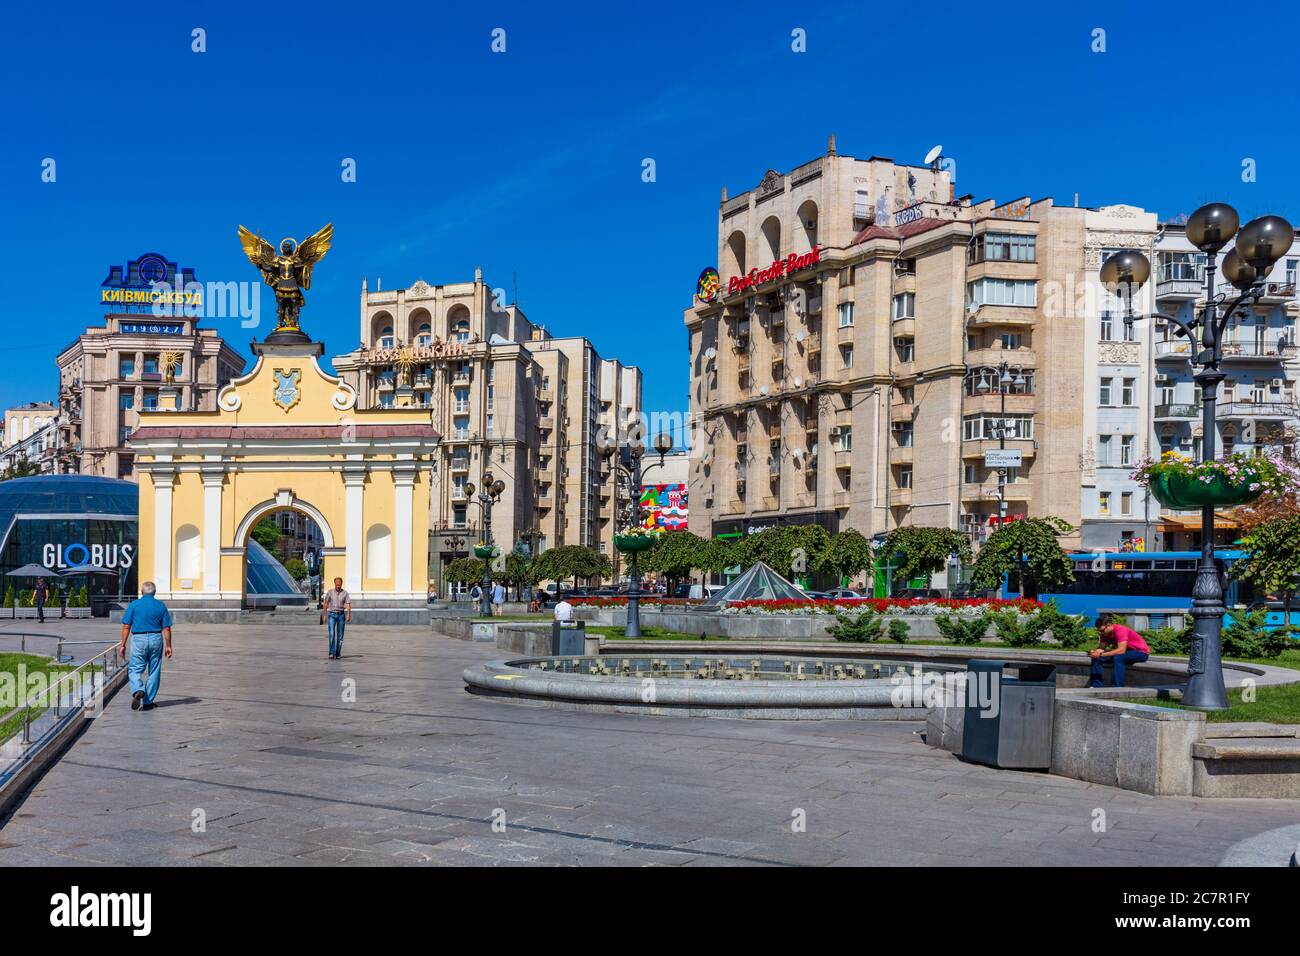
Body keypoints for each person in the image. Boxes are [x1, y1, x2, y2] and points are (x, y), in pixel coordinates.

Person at [118, 581, 173, 711]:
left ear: (142, 592)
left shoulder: (134, 605)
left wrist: (123, 645)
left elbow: (126, 626)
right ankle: (148, 702)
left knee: (135, 669)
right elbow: (167, 629)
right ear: (154, 592)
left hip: (139, 639)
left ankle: (138, 689)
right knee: (154, 670)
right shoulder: (160, 605)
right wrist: (168, 646)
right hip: (156, 638)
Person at [1088, 613, 1151, 688]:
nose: (1101, 633)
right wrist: (1095, 652)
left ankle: (1117, 687)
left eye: (1102, 630)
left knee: (1118, 657)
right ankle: (1096, 685)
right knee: (1096, 658)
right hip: (1127, 652)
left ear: (1108, 625)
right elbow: (1101, 648)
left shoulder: (1120, 630)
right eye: (1099, 631)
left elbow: (1121, 650)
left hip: (1141, 653)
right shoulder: (1105, 634)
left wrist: (1101, 654)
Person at [322, 576, 351, 659]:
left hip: (341, 615)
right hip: (332, 615)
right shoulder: (330, 592)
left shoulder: (345, 593)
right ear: (334, 583)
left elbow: (348, 604)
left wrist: (348, 614)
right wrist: (324, 615)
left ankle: (337, 653)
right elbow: (325, 604)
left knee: (340, 636)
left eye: (339, 584)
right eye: (337, 584)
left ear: (341, 584)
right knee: (331, 634)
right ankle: (331, 653)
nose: (338, 585)